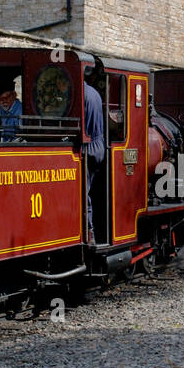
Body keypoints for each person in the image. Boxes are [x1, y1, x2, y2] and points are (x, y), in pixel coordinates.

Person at [83, 67, 105, 242]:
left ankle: (90, 232)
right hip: (97, 145)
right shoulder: (94, 93)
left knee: (85, 191)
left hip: (89, 147)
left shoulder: (81, 94)